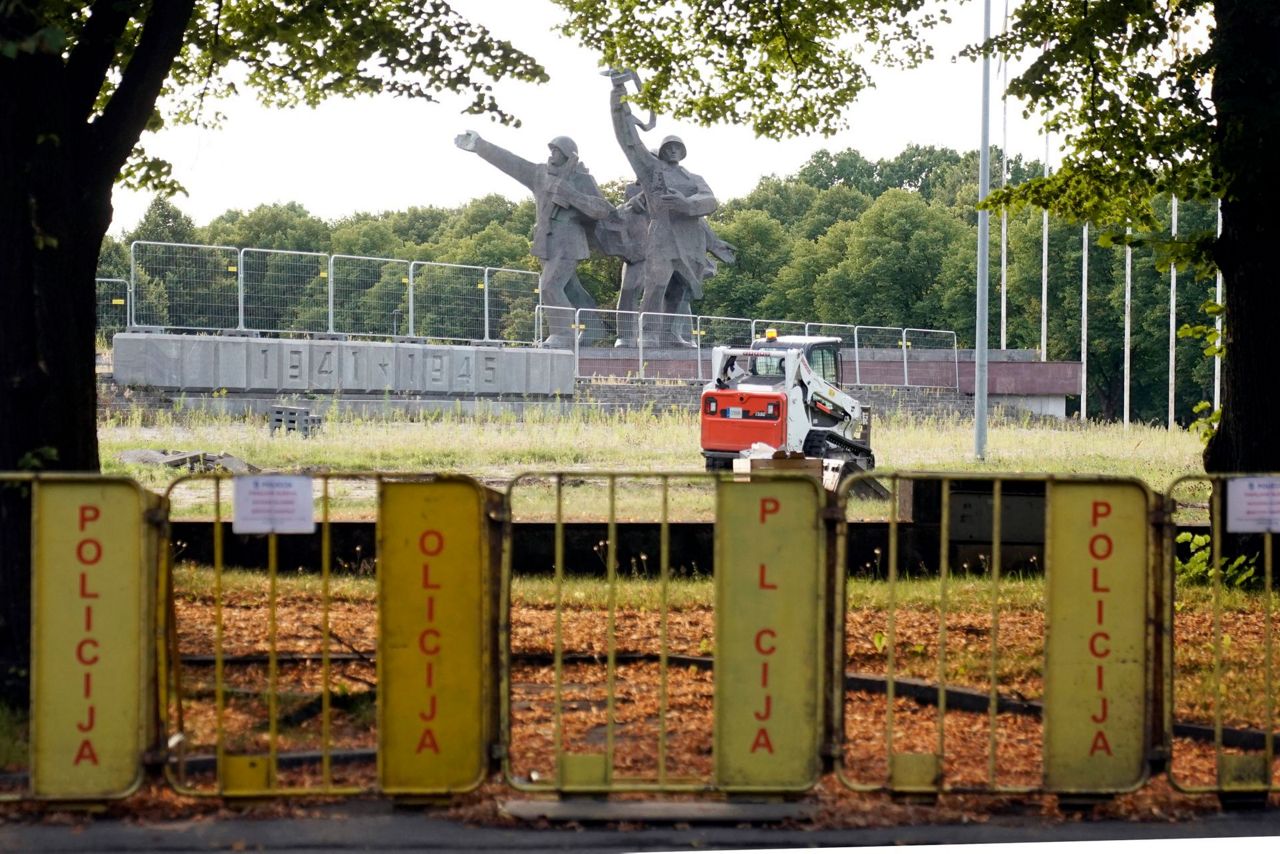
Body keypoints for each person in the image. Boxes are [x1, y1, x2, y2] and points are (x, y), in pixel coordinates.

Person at [454, 130, 612, 348]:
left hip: (569, 243)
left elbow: (602, 210)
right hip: (547, 242)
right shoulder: (540, 174)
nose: (553, 154)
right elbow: (511, 162)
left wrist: (571, 195)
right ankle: (593, 327)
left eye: (558, 150)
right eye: (552, 149)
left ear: (568, 155)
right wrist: (480, 145)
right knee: (570, 289)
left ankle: (563, 334)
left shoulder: (582, 180)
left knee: (549, 287)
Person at [608, 75, 719, 347]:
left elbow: (711, 200)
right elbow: (629, 140)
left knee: (680, 290)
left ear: (682, 152)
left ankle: (671, 334)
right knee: (656, 285)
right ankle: (649, 334)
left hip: (689, 241)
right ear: (662, 152)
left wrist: (686, 203)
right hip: (661, 236)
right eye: (668, 147)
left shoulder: (694, 177)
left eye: (676, 148)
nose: (672, 151)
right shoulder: (650, 170)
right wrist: (618, 94)